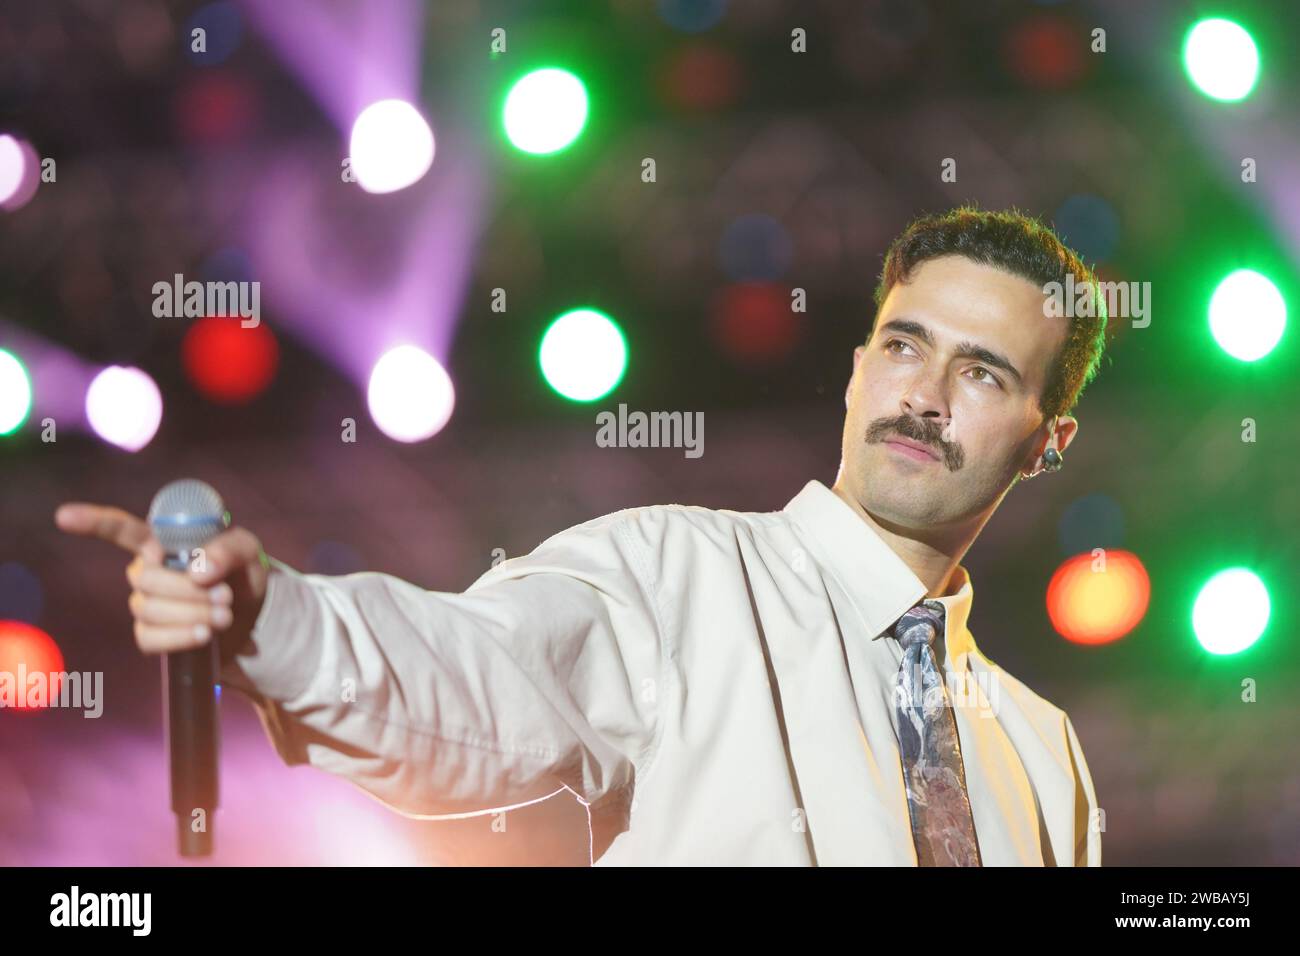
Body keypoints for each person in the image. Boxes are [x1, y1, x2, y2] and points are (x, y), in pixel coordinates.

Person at [56, 205, 1108, 866]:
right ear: (854, 368)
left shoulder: (1041, 744)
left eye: (981, 372)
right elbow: (472, 675)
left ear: (1046, 440)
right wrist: (272, 618)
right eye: (902, 346)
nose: (923, 395)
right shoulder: (680, 573)